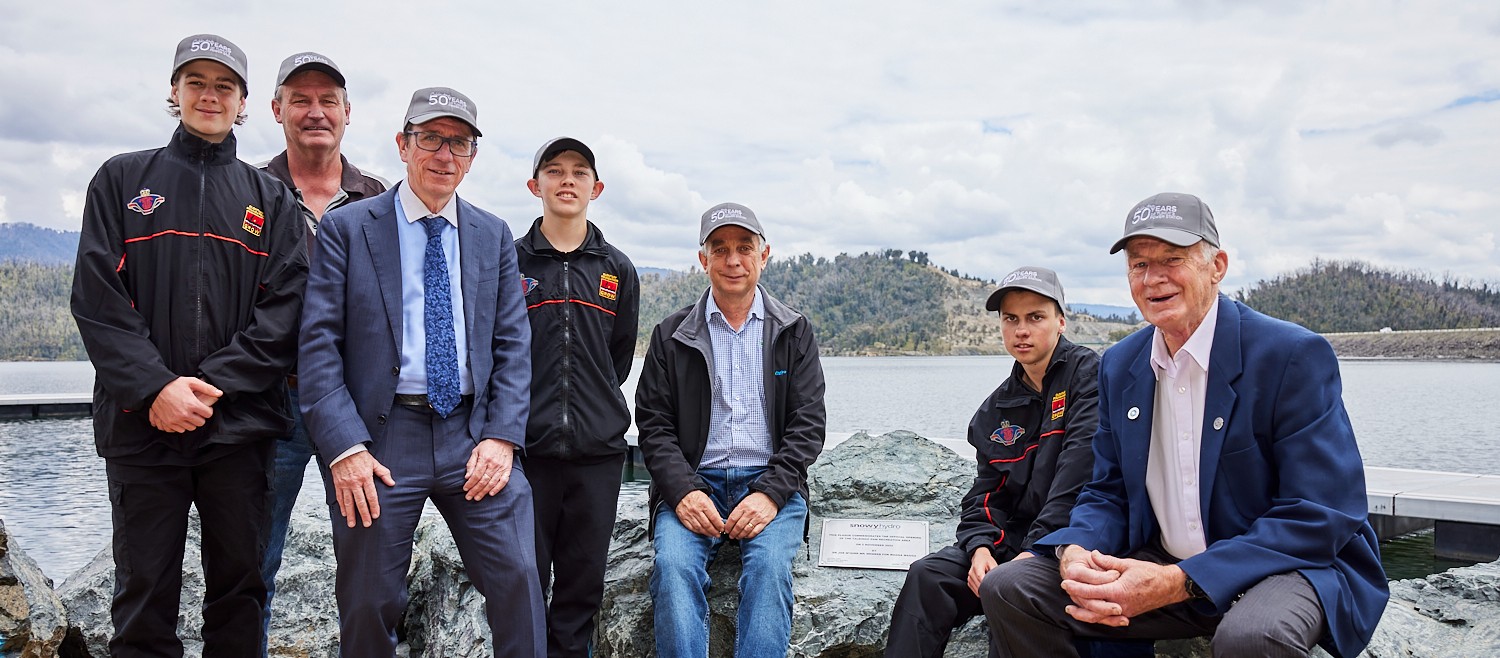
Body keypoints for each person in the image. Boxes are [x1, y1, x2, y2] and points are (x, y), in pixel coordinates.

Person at [979, 193, 1389, 658]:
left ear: (1217, 265)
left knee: (1252, 637)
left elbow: (1322, 512)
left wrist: (1181, 581)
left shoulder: (1290, 355)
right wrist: (1075, 550)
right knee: (1012, 586)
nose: (1153, 279)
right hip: (1164, 558)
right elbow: (1107, 490)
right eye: (1138, 265)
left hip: (1284, 566)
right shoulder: (1120, 364)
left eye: (1171, 259)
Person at [70, 34, 307, 657]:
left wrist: (209, 384)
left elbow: (284, 313)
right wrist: (156, 388)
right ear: (173, 93)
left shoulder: (271, 199)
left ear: (245, 102)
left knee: (240, 592)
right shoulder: (122, 180)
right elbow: (98, 300)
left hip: (238, 428)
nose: (210, 95)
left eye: (224, 86)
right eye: (196, 82)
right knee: (144, 594)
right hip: (142, 428)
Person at [298, 86, 544, 657]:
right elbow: (317, 347)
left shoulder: (492, 234)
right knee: (368, 601)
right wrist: (345, 450)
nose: (445, 155)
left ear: (473, 156)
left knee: (518, 580)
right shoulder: (349, 228)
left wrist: (503, 437)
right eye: (431, 139)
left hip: (471, 434)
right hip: (381, 441)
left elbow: (512, 345)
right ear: (403, 146)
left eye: (459, 143)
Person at [635, 202, 826, 658]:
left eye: (745, 247)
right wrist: (682, 491)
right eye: (720, 249)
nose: (733, 260)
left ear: (765, 255)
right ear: (703, 260)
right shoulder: (671, 334)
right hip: (694, 483)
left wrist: (771, 493)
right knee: (673, 567)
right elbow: (653, 425)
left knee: (768, 570)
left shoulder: (793, 330)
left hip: (769, 485)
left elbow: (808, 424)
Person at [885, 266, 1100, 658]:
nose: (1022, 330)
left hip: (1070, 541)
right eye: (1011, 319)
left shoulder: (1088, 376)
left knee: (1012, 588)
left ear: (1061, 322)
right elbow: (985, 494)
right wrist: (981, 549)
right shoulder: (996, 409)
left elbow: (1077, 478)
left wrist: (1031, 554)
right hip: (1011, 544)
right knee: (927, 576)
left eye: (1035, 317)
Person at [257, 50, 386, 655]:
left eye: (328, 100)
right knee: (251, 568)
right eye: (301, 100)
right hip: (267, 410)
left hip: (355, 418)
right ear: (276, 108)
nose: (316, 112)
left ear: (348, 113)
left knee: (366, 573)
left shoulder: (378, 199)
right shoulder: (247, 190)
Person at [515, 137, 640, 657]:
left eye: (579, 172)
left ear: (597, 187)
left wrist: (586, 410)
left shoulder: (617, 270)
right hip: (527, 453)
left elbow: (618, 360)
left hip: (598, 457)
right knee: (520, 586)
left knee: (580, 592)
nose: (567, 180)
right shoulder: (510, 262)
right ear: (535, 185)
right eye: (555, 170)